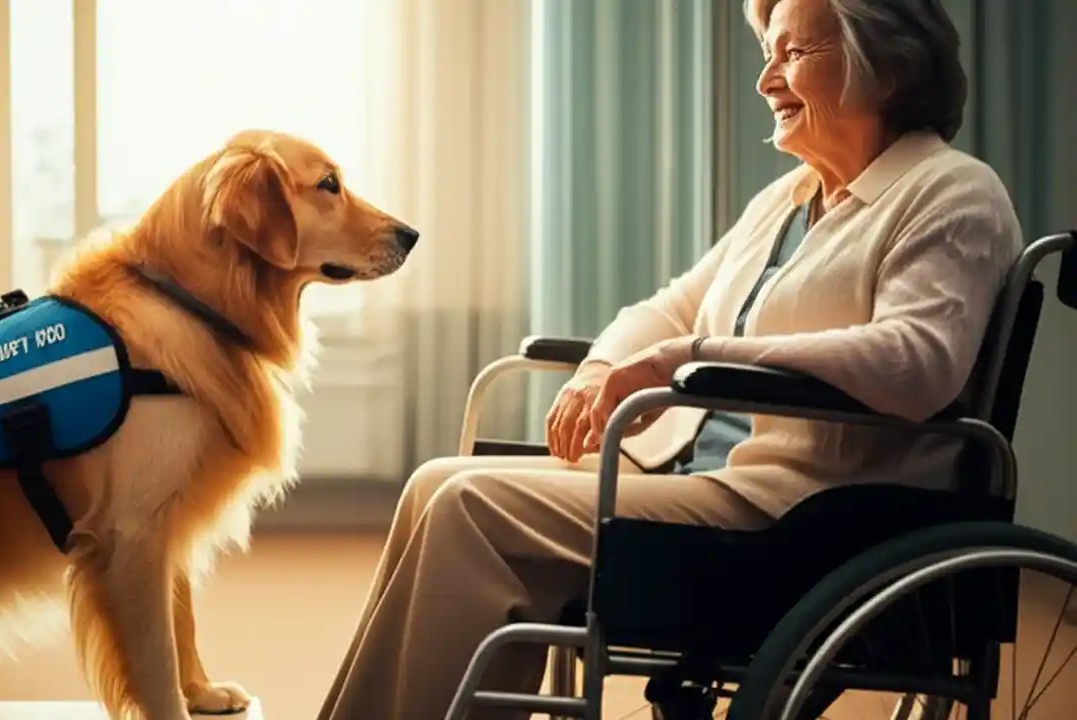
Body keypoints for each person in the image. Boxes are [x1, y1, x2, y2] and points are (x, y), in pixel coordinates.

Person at [316, 0, 1023, 717]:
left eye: (795, 55)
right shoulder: (792, 197)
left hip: (801, 511)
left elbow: (917, 361)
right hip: (699, 473)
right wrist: (603, 368)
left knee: (472, 508)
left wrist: (688, 357)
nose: (766, 80)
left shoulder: (950, 192)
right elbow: (668, 309)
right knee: (434, 483)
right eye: (768, 54)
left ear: (892, 70)